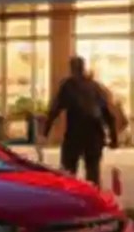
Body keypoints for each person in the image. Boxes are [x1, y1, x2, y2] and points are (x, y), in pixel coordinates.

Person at [43, 56, 120, 187]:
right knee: (93, 171)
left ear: (72, 69)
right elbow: (107, 113)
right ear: (83, 68)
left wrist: (45, 130)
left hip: (75, 135)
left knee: (68, 171)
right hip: (95, 134)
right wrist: (114, 137)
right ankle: (94, 198)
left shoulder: (68, 86)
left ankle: (71, 198)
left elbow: (55, 109)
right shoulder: (95, 86)